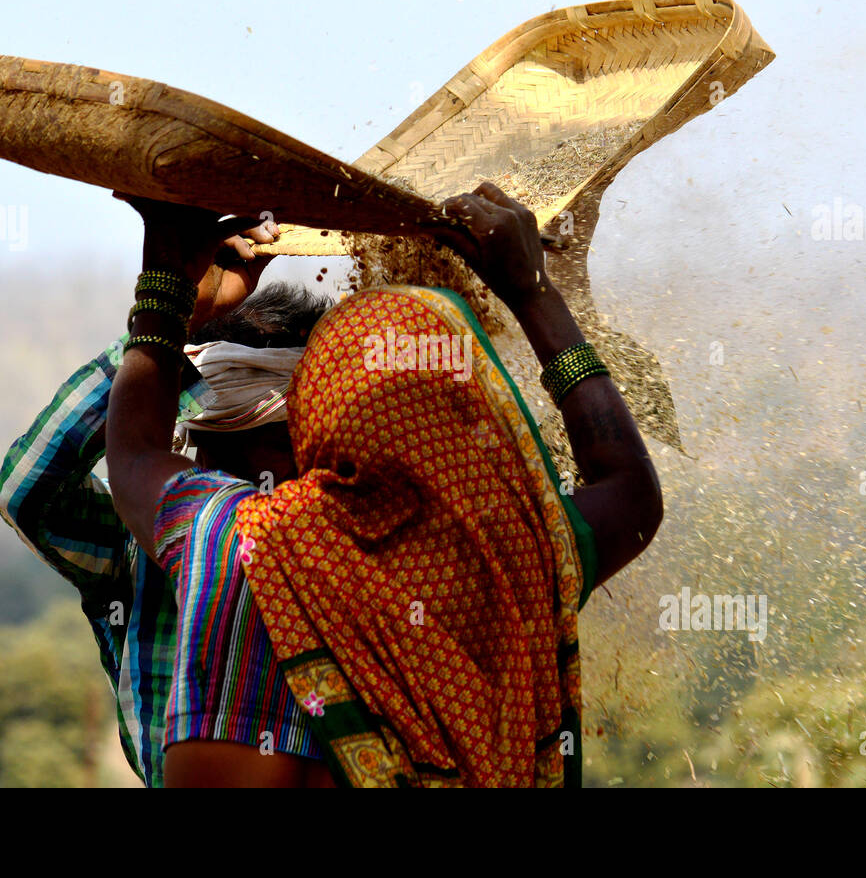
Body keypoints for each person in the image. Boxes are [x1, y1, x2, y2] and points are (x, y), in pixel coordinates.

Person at [108, 182, 663, 787]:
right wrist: (533, 293)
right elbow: (631, 489)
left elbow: (133, 455)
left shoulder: (242, 540)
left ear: (315, 416)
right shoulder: (513, 557)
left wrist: (165, 276)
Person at [0, 211, 335, 787]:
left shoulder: (358, 540)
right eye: (204, 450)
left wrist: (166, 311)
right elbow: (29, 494)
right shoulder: (144, 546)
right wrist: (180, 317)